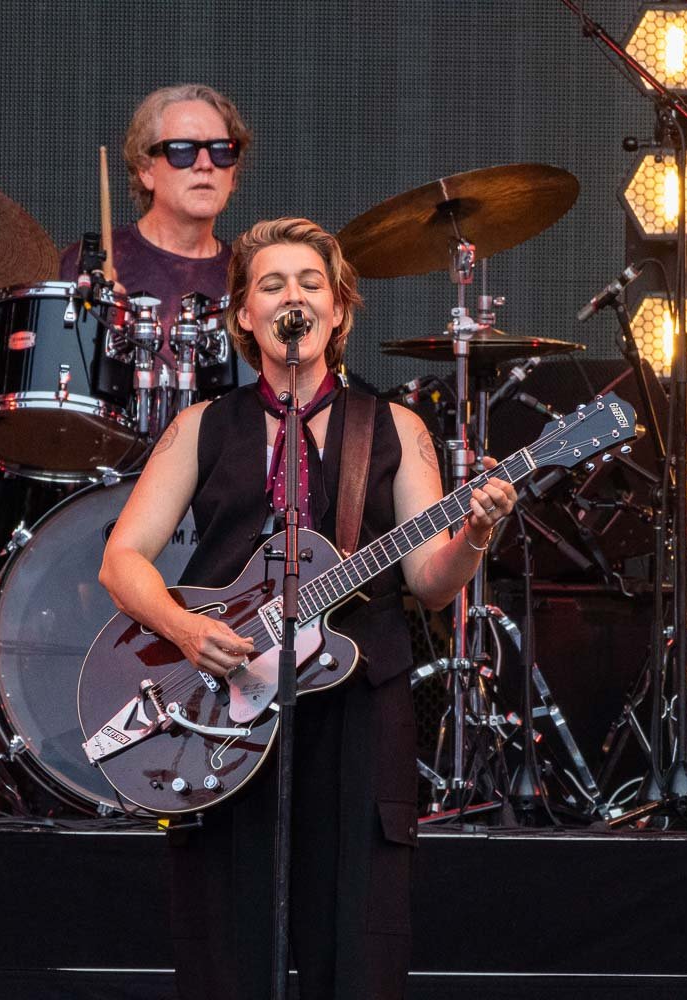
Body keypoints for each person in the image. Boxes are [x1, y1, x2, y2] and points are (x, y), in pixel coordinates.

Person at [97, 218, 517, 999]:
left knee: (358, 937)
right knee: (228, 940)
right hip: (224, 704)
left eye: (311, 282)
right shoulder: (202, 427)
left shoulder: (393, 428)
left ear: (339, 312)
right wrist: (187, 630)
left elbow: (429, 579)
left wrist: (476, 534)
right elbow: (121, 561)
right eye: (272, 284)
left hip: (358, 704)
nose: (294, 295)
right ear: (243, 318)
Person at [59, 82, 249, 334]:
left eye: (222, 151)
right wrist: (92, 324)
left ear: (233, 175)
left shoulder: (248, 278)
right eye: (182, 150)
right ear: (146, 169)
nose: (205, 164)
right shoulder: (83, 267)